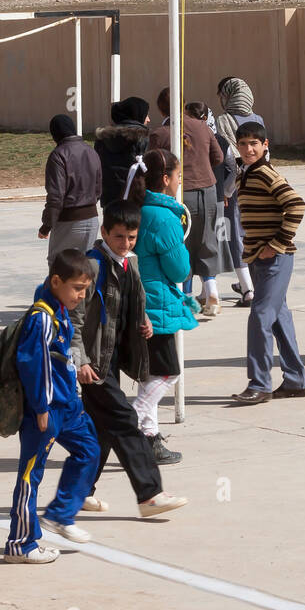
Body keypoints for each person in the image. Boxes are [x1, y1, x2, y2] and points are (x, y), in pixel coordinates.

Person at [71, 201, 188, 519]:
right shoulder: (92, 266)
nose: (125, 244)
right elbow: (75, 317)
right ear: (104, 232)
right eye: (119, 237)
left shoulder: (129, 262)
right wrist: (79, 359)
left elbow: (133, 300)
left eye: (132, 238)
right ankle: (149, 494)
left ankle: (79, 492)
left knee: (101, 430)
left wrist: (144, 320)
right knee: (125, 420)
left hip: (113, 358)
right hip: (94, 363)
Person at [5, 248, 101, 563]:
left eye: (85, 290)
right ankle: (21, 544)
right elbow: (34, 365)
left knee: (89, 451)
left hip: (68, 406)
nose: (81, 295)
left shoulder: (60, 309)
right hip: (45, 411)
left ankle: (60, 513)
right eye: (77, 288)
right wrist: (42, 408)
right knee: (30, 476)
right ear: (56, 280)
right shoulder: (41, 318)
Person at [126, 147, 199, 463]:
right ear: (166, 179)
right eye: (179, 176)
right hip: (156, 304)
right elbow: (180, 270)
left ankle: (150, 437)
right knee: (168, 372)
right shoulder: (165, 217)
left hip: (136, 299)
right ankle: (133, 416)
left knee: (150, 373)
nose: (180, 181)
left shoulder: (136, 208)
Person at [231, 121, 305, 404]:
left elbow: (296, 205)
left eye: (254, 143)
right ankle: (296, 380)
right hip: (257, 258)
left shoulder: (265, 173)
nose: (248, 148)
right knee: (278, 318)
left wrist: (275, 244)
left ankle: (260, 383)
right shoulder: (245, 175)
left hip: (275, 258)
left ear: (265, 146)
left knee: (260, 316)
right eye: (243, 144)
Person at [176, 103, 224, 316]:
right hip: (208, 189)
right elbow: (219, 157)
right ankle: (212, 292)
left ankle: (186, 297)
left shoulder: (168, 129)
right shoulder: (203, 127)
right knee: (207, 240)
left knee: (183, 243)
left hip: (183, 192)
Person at [216, 77, 260, 305]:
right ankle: (254, 282)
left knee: (236, 236)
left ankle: (247, 289)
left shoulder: (224, 120)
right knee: (254, 231)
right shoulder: (257, 118)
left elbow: (231, 161)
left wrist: (226, 190)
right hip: (259, 183)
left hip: (236, 186)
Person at [38, 115, 102, 261]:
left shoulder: (58, 155)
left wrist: (46, 226)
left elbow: (56, 197)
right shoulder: (91, 151)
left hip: (68, 221)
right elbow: (98, 190)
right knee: (86, 269)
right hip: (92, 219)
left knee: (59, 267)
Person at [93, 98, 150, 207]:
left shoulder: (102, 139)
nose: (148, 119)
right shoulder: (143, 138)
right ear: (137, 115)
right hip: (136, 199)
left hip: (109, 199)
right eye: (146, 115)